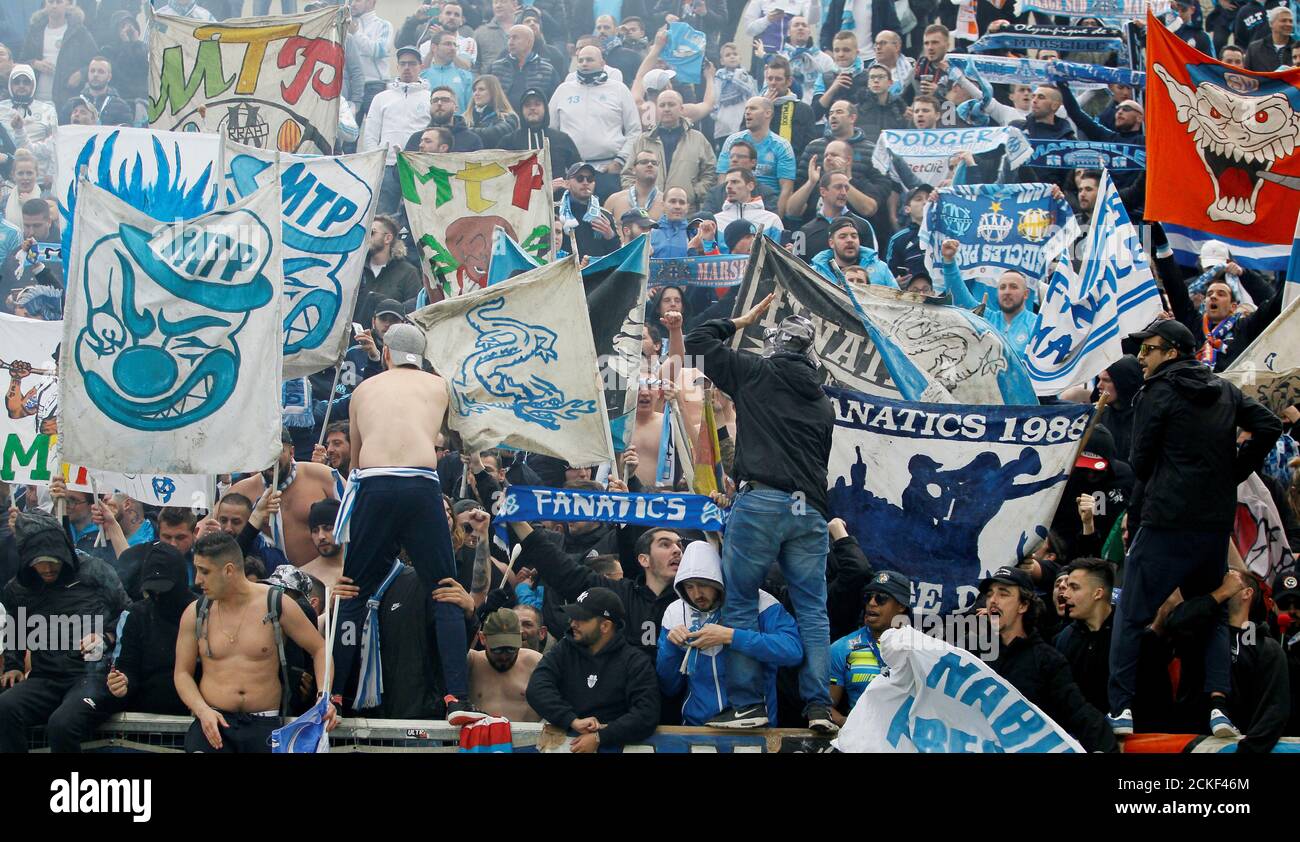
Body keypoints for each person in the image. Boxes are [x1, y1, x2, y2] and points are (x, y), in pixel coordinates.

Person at [1107, 319, 1282, 736]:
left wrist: (1171, 483)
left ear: (1171, 352)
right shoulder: (1224, 388)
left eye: (1148, 349)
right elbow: (1269, 426)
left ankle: (1120, 709)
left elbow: (1141, 462)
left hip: (1165, 521)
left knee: (1131, 614)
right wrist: (1231, 474)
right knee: (1214, 614)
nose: (1141, 358)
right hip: (1211, 524)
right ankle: (1218, 708)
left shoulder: (1156, 391)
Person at [685, 296, 838, 733]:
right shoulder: (823, 402)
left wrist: (741, 320)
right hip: (808, 511)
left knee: (741, 601)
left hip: (763, 503)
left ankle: (748, 705)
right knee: (813, 611)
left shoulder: (757, 371)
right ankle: (818, 708)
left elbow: (695, 342)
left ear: (773, 345)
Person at [332, 323, 482, 723]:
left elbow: (355, 461)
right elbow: (463, 437)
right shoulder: (439, 386)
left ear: (385, 354)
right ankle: (457, 700)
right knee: (445, 590)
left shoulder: (364, 390)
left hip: (376, 484)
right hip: (421, 484)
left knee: (352, 593)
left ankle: (334, 697)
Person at [174, 533, 335, 752]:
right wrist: (202, 710)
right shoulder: (195, 613)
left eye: (205, 571)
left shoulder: (276, 604)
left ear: (229, 570)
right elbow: (182, 673)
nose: (197, 580)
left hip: (264, 724)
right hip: (214, 721)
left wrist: (323, 697)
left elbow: (319, 648)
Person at [0, 510, 129, 753]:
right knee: (4, 708)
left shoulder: (96, 571)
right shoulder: (19, 587)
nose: (47, 568)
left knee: (61, 724)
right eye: (39, 563)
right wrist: (13, 665)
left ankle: (70, 789)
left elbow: (129, 616)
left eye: (53, 561)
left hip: (91, 676)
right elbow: (15, 624)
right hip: (45, 677)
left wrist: (106, 637)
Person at [656, 540, 803, 727]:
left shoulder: (760, 602)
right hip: (698, 728)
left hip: (754, 726)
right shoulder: (675, 612)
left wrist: (732, 637)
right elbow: (669, 687)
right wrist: (671, 646)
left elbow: (793, 651)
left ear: (718, 580)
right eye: (689, 586)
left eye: (703, 584)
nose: (697, 594)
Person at [980, 566, 1119, 752]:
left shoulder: (1047, 660)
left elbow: (1078, 712)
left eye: (1003, 594)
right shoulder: (972, 651)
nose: (993, 601)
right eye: (989, 595)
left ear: (1023, 605)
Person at [525, 587, 661, 752]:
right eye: (572, 616)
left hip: (616, 746)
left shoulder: (635, 661)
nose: (572, 623)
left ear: (605, 626)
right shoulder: (564, 648)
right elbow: (537, 688)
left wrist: (600, 737)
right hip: (563, 744)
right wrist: (571, 720)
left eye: (581, 618)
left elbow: (646, 714)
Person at [105, 543, 197, 717]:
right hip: (143, 717)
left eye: (165, 590)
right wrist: (122, 682)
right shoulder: (138, 615)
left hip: (194, 717)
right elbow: (127, 666)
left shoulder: (203, 612)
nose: (159, 597)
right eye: (152, 591)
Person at [229, 429, 340, 568]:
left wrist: (341, 570)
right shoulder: (241, 492)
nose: (270, 458)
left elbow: (356, 517)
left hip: (322, 580)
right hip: (268, 584)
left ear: (291, 452)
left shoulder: (322, 476)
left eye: (277, 451)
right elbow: (220, 543)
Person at [549, 45, 641, 197]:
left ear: (602, 63)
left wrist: (620, 161)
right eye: (581, 60)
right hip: (572, 173)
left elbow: (635, 131)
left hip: (607, 170)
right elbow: (551, 130)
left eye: (590, 60)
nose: (584, 63)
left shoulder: (619, 89)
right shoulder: (563, 90)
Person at [827, 570, 912, 725]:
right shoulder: (841, 648)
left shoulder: (920, 649)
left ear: (901, 606)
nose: (872, 603)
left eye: (881, 598)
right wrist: (848, 723)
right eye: (868, 597)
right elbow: (824, 706)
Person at [360, 47, 431, 215]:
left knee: (417, 215)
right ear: (397, 67)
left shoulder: (430, 97)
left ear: (420, 66)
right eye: (403, 63)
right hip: (387, 167)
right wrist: (376, 162)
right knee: (383, 216)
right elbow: (370, 133)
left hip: (417, 167)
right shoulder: (381, 97)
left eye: (412, 63)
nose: (407, 67)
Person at [620, 89, 717, 213]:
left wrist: (694, 193)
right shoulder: (643, 140)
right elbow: (628, 174)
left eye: (671, 105)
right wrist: (639, 197)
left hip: (685, 213)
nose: (666, 109)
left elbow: (710, 172)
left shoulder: (698, 139)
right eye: (662, 105)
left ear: (681, 109)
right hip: (648, 214)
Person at [716, 96, 796, 217]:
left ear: (768, 113)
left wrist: (775, 220)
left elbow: (786, 189)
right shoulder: (732, 141)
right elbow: (722, 181)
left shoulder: (782, 146)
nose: (747, 112)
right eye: (746, 109)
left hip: (768, 204)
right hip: (734, 202)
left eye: (753, 108)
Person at [468, 608, 542, 721]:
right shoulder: (472, 662)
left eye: (511, 650)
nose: (504, 656)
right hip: (481, 737)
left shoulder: (535, 662)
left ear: (520, 637)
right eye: (497, 650)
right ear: (482, 638)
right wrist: (469, 613)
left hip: (526, 737)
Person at [20, 0, 98, 106]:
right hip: (35, 99)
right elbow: (21, 62)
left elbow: (97, 61)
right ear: (45, 4)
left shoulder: (79, 31)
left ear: (68, 4)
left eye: (59, 2)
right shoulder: (35, 30)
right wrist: (35, 63)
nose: (54, 6)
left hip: (66, 99)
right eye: (50, 2)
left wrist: (81, 74)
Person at [504, 87, 581, 186]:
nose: (532, 108)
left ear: (545, 108)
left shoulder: (562, 139)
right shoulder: (509, 141)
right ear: (521, 110)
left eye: (537, 104)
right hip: (521, 199)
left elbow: (578, 171)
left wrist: (565, 184)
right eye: (527, 105)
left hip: (557, 199)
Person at [811, 216, 896, 288]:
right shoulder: (815, 273)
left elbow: (898, 302)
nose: (850, 240)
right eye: (843, 237)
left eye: (854, 236)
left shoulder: (881, 269)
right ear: (831, 243)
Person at [487, 24, 556, 113]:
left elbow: (553, 102)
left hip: (533, 122)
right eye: (509, 38)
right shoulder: (495, 68)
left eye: (515, 38)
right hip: (501, 121)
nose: (510, 42)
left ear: (529, 42)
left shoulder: (547, 71)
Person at [558, 161, 619, 259]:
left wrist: (611, 237)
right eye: (580, 178)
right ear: (567, 183)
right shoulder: (556, 212)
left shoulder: (604, 216)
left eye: (590, 179)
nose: (585, 182)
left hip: (596, 272)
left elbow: (616, 255)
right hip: (564, 271)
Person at [700, 140, 779, 214]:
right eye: (731, 156)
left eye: (740, 156)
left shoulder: (767, 194)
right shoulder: (715, 194)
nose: (734, 160)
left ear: (753, 162)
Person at [762, 56, 816, 162]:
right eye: (770, 78)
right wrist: (763, 108)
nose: (773, 83)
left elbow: (809, 147)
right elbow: (747, 137)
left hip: (791, 169)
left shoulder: (804, 110)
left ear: (789, 81)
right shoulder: (754, 107)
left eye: (778, 79)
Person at [405, 85, 484, 153]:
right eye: (435, 100)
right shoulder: (417, 138)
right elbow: (403, 168)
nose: (439, 103)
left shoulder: (471, 140)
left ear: (456, 108)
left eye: (445, 100)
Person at [713, 168, 784, 236]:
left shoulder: (772, 220)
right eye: (726, 183)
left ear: (750, 186)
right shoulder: (716, 221)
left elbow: (777, 248)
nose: (728, 186)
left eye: (734, 182)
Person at [420, 29, 474, 111]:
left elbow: (471, 109)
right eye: (448, 44)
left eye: (455, 45)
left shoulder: (466, 76)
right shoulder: (422, 76)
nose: (452, 48)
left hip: (458, 123)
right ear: (434, 47)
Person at [606, 150, 666, 221]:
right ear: (633, 169)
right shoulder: (614, 200)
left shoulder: (666, 203)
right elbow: (601, 230)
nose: (650, 165)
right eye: (644, 162)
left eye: (654, 163)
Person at [463, 75, 520, 149]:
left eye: (481, 89)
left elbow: (495, 134)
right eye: (474, 90)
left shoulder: (508, 116)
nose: (476, 93)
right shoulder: (464, 118)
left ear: (493, 92)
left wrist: (465, 132)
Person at [299, 499, 344, 589]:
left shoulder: (362, 567)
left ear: (343, 529)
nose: (321, 536)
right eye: (315, 531)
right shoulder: (303, 576)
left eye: (327, 528)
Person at [1246, 5, 1298, 71]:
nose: (1288, 24)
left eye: (1290, 21)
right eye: (1283, 21)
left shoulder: (1297, 49)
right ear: (1271, 23)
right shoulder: (1254, 49)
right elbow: (1247, 76)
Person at [650, 186, 690, 258]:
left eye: (682, 202)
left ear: (687, 207)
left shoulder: (694, 234)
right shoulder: (650, 233)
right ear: (663, 205)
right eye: (673, 201)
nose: (677, 206)